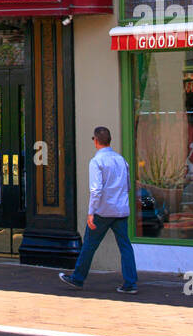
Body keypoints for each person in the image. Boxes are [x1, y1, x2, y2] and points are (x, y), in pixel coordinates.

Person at [59, 126, 138, 294]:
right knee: (125, 246)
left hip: (102, 211)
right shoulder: (121, 160)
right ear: (109, 140)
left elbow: (96, 190)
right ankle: (130, 282)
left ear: (95, 140)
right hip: (121, 210)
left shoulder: (96, 162)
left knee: (89, 245)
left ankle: (78, 278)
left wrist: (91, 212)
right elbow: (128, 186)